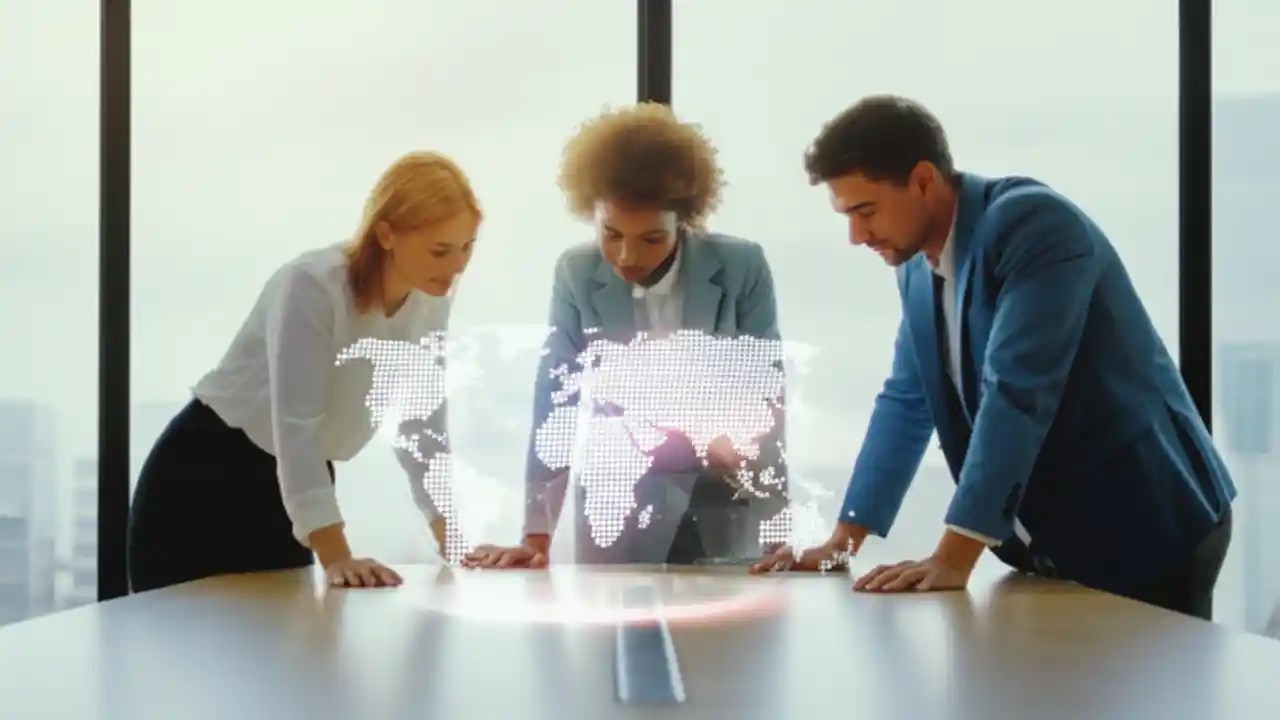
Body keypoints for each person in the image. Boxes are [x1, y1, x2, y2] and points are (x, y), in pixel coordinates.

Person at [752, 95, 1237, 621]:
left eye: (866, 211)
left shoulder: (1033, 225)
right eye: (846, 216)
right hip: (1053, 542)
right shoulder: (916, 266)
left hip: (1147, 520)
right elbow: (907, 400)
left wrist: (952, 557)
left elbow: (1019, 390)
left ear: (922, 180)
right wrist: (842, 542)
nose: (856, 236)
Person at [127, 151, 482, 592]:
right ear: (387, 234)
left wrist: (455, 543)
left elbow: (422, 431)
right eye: (440, 250)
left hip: (289, 487)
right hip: (205, 477)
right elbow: (297, 426)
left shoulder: (431, 304)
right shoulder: (312, 285)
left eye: (467, 247)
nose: (457, 266)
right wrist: (339, 558)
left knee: (289, 648)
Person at [464, 102, 790, 569]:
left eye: (651, 238)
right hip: (618, 497)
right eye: (611, 233)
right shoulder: (576, 273)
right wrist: (536, 536)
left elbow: (767, 396)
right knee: (613, 631)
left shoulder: (742, 268)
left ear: (686, 220)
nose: (626, 255)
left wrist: (777, 530)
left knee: (725, 634)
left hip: (723, 493)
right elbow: (554, 398)